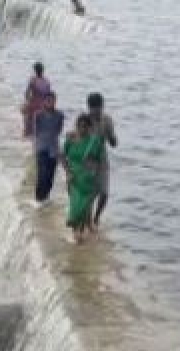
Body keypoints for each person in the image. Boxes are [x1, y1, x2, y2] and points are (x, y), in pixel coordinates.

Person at [62, 114, 104, 242]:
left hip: (88, 180)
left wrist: (97, 178)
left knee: (84, 208)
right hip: (73, 179)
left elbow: (100, 162)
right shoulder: (70, 139)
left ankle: (79, 233)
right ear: (76, 126)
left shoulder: (94, 142)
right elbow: (63, 157)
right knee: (75, 207)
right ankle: (77, 232)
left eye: (85, 126)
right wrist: (68, 172)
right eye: (80, 126)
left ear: (90, 128)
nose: (82, 129)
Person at [85, 92, 117, 228]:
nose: (97, 111)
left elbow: (113, 141)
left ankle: (96, 218)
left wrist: (112, 138)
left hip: (102, 160)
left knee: (104, 193)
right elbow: (78, 140)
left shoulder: (107, 120)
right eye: (94, 109)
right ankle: (87, 222)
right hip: (87, 161)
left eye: (99, 108)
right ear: (89, 108)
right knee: (90, 195)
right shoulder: (84, 120)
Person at [33, 92, 64, 204]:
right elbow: (36, 131)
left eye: (52, 100)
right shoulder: (38, 115)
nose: (50, 103)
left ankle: (45, 199)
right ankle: (38, 200)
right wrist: (36, 147)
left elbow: (59, 130)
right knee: (42, 175)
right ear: (44, 102)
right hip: (41, 147)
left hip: (53, 148)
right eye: (48, 100)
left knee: (50, 177)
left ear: (55, 101)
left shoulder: (60, 115)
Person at [22, 62, 52, 138]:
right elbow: (49, 95)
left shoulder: (33, 80)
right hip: (43, 106)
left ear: (35, 70)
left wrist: (27, 103)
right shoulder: (47, 81)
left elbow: (27, 94)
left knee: (28, 128)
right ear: (42, 70)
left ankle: (26, 142)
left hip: (33, 105)